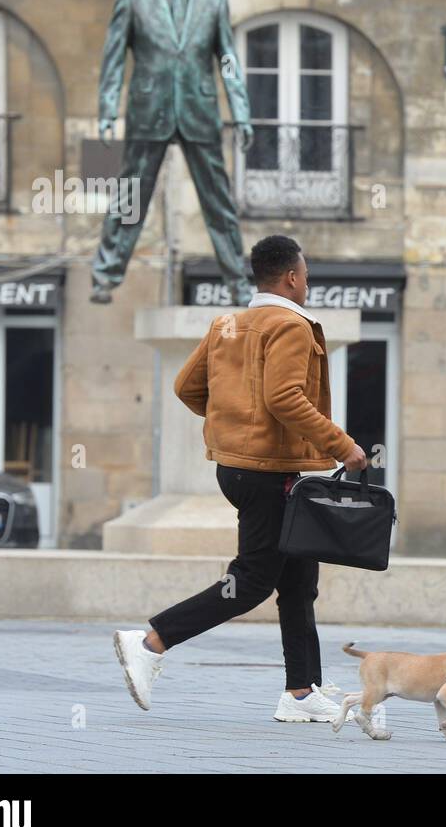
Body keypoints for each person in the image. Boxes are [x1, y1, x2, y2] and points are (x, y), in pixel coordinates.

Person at [113, 235, 369, 722]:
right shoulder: (292, 325)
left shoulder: (228, 324)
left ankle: (301, 691)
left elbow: (187, 386)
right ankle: (150, 642)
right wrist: (344, 446)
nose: (308, 283)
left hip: (239, 468)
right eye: (306, 275)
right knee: (250, 582)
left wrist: (231, 424)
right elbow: (285, 398)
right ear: (292, 277)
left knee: (297, 581)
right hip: (269, 473)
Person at [90, 0, 254, 306]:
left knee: (220, 202)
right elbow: (114, 57)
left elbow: (227, 59)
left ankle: (239, 282)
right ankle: (106, 274)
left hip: (199, 109)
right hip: (150, 107)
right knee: (130, 197)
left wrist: (241, 110)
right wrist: (108, 109)